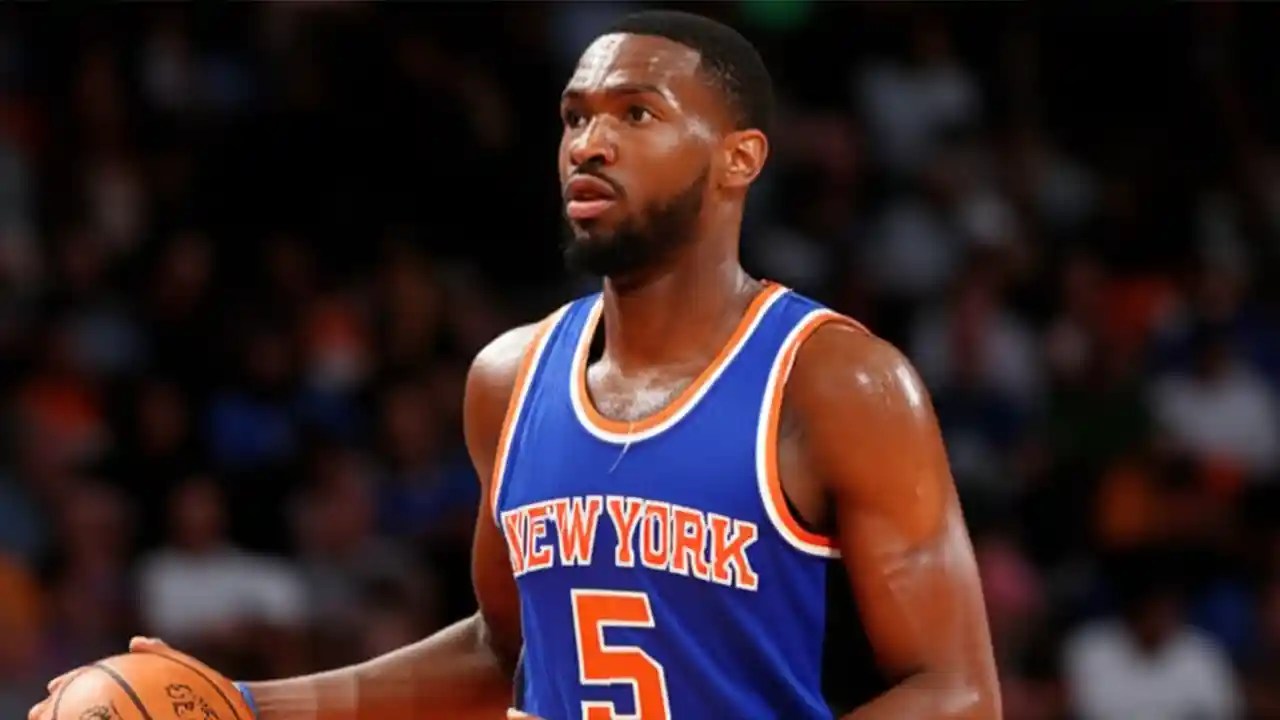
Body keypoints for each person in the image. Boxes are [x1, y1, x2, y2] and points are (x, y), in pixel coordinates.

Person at [31, 10, 999, 720]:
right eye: (574, 117)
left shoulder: (834, 383)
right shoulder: (508, 378)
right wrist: (244, 704)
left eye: (635, 113)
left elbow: (956, 691)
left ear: (737, 159)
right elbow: (508, 648)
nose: (589, 143)